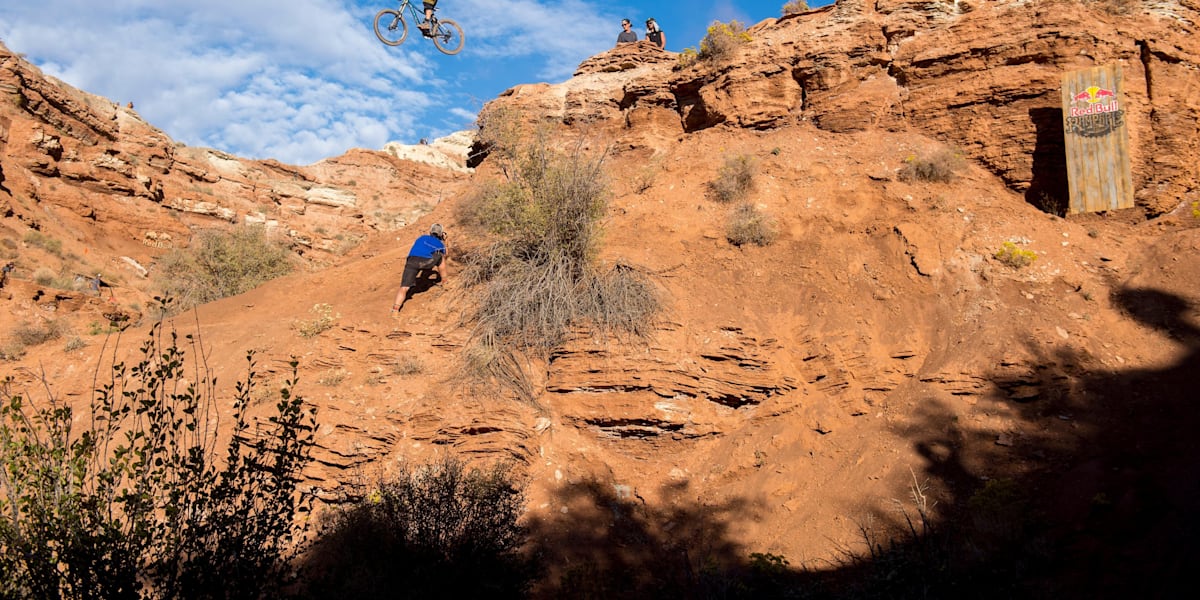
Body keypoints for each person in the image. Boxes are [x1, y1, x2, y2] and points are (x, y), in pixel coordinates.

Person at [392, 223, 448, 315]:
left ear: (430, 232)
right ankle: (445, 282)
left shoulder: (421, 238)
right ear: (441, 234)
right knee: (440, 257)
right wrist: (445, 241)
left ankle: (395, 309)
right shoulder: (439, 243)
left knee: (404, 288)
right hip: (425, 262)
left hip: (411, 261)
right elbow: (446, 254)